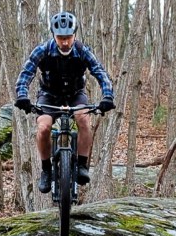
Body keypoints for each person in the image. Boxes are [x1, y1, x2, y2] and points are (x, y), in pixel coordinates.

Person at [14, 11, 115, 194]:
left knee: (83, 119)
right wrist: (22, 96)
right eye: (61, 38)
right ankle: (46, 170)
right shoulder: (42, 50)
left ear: (74, 35)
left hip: (75, 94)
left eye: (68, 37)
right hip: (49, 94)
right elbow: (26, 74)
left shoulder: (82, 51)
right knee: (43, 127)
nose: (65, 42)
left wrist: (107, 96)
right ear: (54, 35)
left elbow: (100, 72)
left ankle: (82, 165)